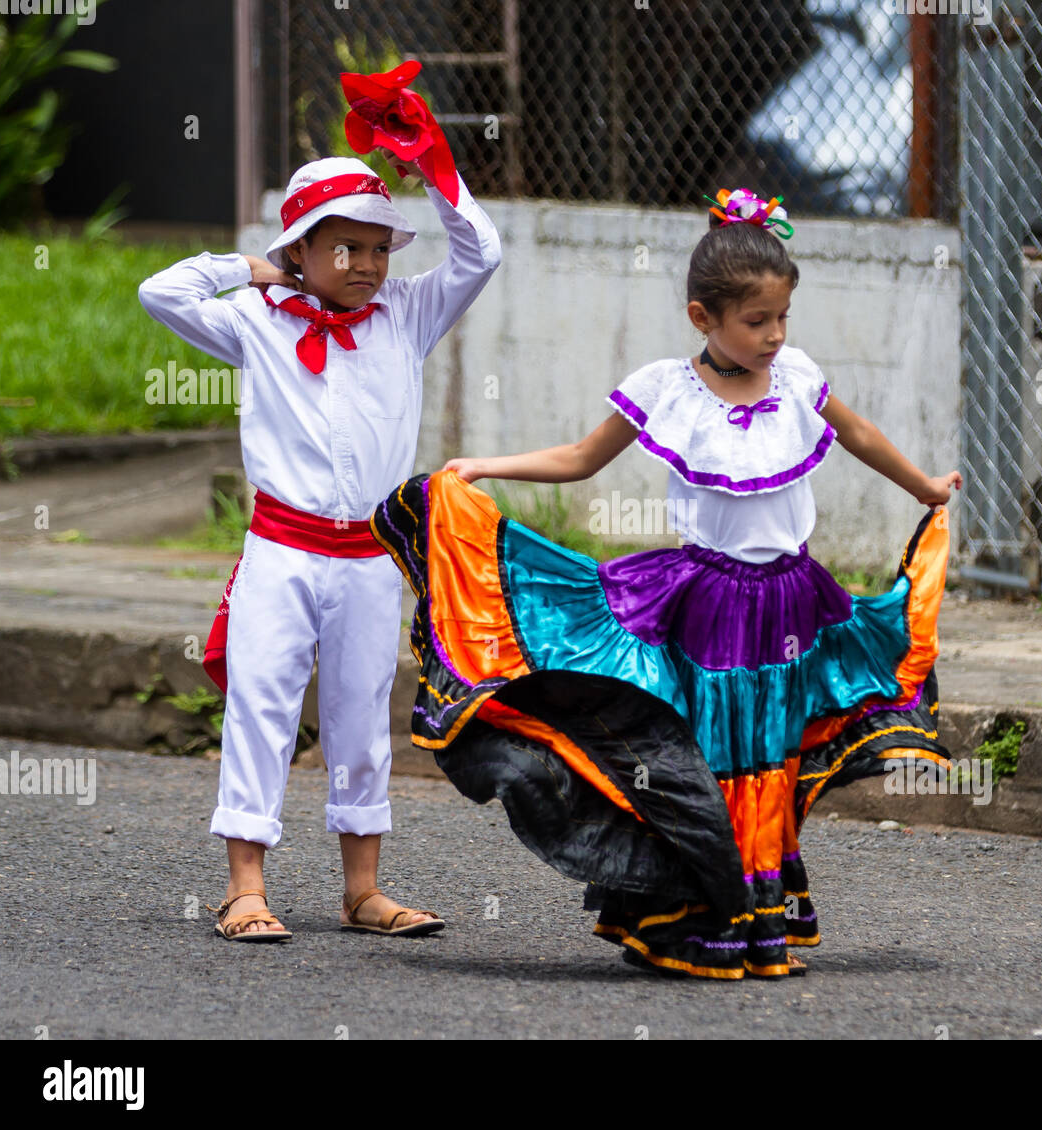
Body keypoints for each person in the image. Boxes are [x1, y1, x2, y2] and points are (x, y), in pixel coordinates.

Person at [371, 187, 960, 978]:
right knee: (714, 763)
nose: (775, 335)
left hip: (793, 603)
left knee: (772, 759)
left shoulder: (796, 377)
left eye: (783, 318)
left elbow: (857, 432)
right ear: (701, 317)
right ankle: (698, 921)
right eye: (757, 321)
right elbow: (581, 458)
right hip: (708, 610)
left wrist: (924, 486)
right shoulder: (665, 390)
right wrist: (483, 466)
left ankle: (759, 920)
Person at [138, 136, 502, 941]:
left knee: (362, 719)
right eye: (345, 246)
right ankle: (244, 889)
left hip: (370, 558)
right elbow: (159, 291)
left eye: (379, 248)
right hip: (281, 552)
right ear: (299, 249)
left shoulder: (408, 313)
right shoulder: (254, 320)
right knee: (260, 707)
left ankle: (362, 892)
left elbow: (482, 253)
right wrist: (252, 270)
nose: (368, 263)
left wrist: (434, 166)